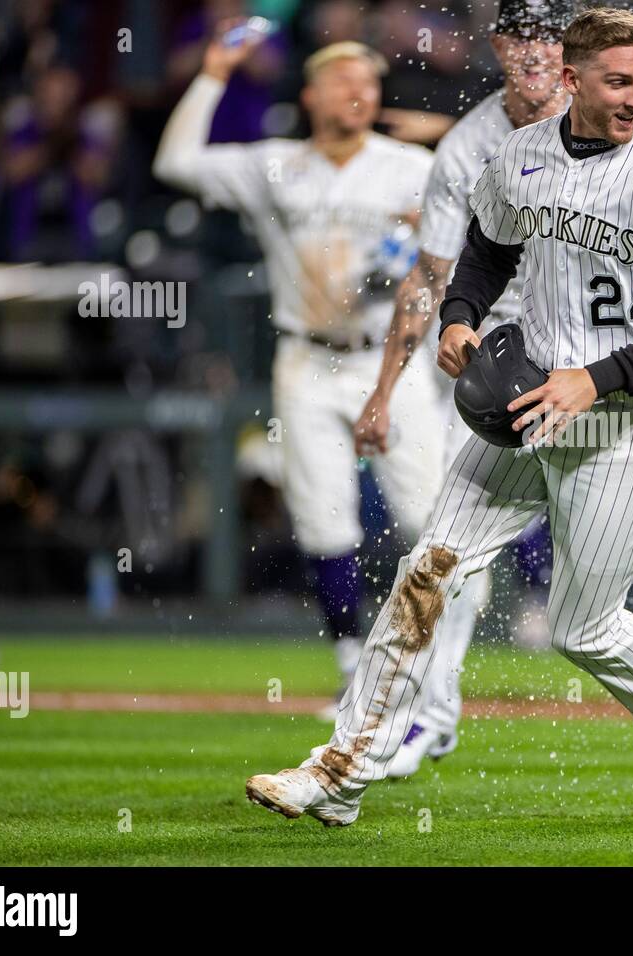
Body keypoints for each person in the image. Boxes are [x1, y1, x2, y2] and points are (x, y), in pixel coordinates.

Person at [246, 6, 633, 826]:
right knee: (429, 571)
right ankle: (343, 769)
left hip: (626, 425)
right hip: (530, 408)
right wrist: (460, 315)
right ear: (571, 79)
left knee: (582, 629)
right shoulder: (518, 154)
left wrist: (593, 382)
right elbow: (486, 251)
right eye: (616, 80)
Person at [153, 32, 445, 709]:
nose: (359, 94)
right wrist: (213, 75)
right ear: (311, 95)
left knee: (427, 521)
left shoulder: (410, 165)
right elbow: (175, 163)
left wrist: (436, 204)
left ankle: (428, 671)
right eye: (345, 82)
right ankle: (353, 668)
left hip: (390, 356)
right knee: (323, 522)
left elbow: (482, 210)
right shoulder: (276, 164)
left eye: (370, 85)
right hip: (307, 356)